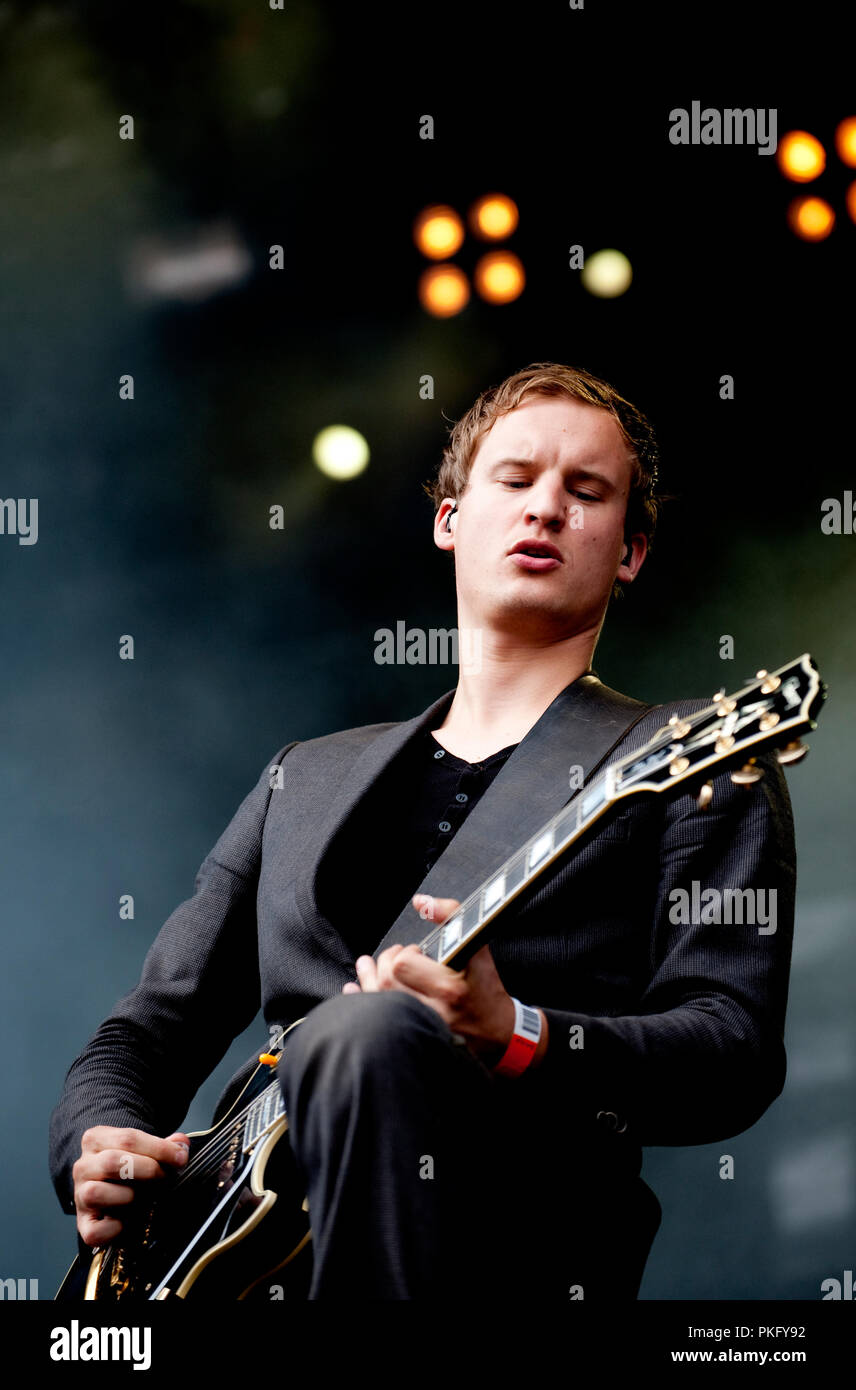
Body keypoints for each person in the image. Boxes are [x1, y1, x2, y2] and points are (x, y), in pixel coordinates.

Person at [49, 362, 796, 1300]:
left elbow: (730, 1052)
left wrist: (515, 1032)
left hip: (500, 1253)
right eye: (516, 480)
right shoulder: (302, 775)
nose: (546, 509)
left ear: (632, 550)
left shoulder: (695, 763)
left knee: (366, 1039)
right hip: (230, 1259)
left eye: (587, 491)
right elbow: (144, 1035)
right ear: (450, 519)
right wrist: (101, 1146)